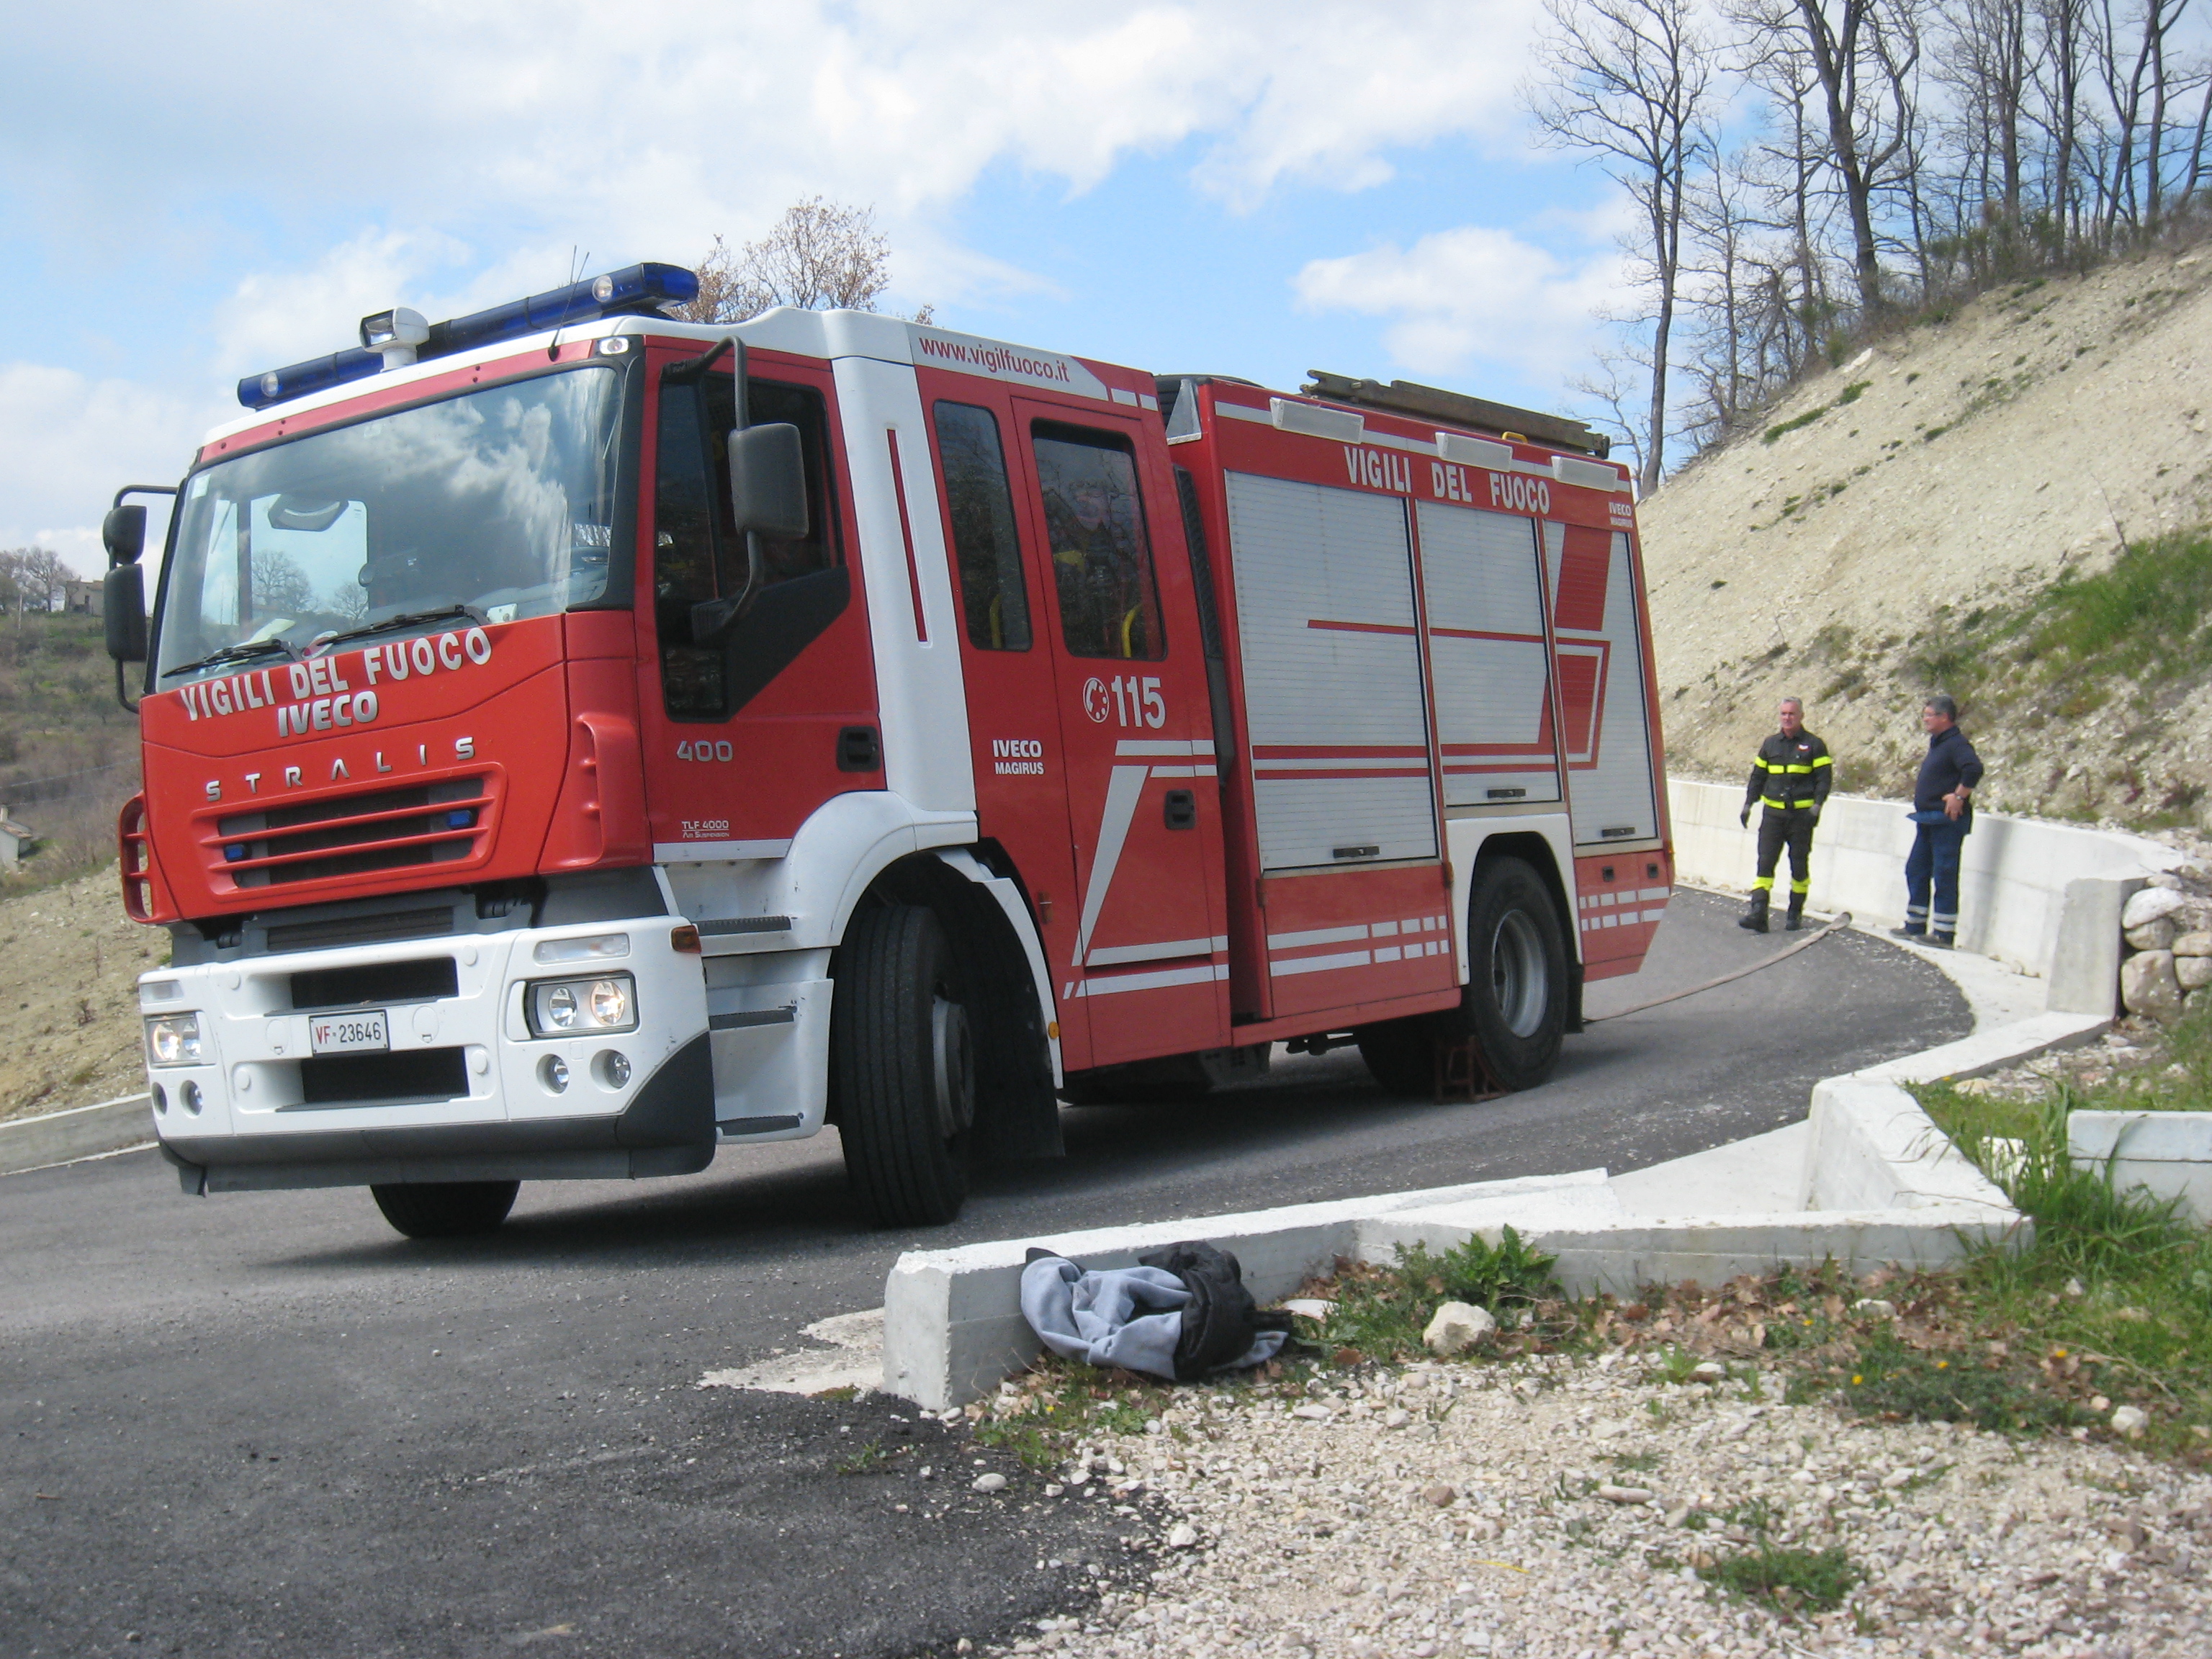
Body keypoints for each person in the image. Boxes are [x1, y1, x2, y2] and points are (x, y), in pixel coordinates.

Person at [1889, 693, 1983, 949]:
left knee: (1944, 873)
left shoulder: (1956, 743)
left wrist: (1958, 796)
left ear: (1945, 717)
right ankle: (1915, 924)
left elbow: (1973, 769)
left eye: (1929, 715)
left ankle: (1943, 933)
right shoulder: (1939, 743)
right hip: (1928, 819)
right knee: (1916, 869)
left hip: (1947, 821)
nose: (1926, 720)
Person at [1737, 696, 1833, 933]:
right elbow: (1758, 777)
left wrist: (1817, 806)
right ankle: (1758, 913)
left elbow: (1824, 779)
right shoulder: (1770, 745)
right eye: (1783, 714)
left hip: (1801, 818)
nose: (1787, 718)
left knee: (1799, 866)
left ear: (1801, 716)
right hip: (1773, 817)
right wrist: (1749, 804)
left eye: (1791, 714)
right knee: (1765, 864)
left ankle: (1795, 914)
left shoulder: (1815, 745)